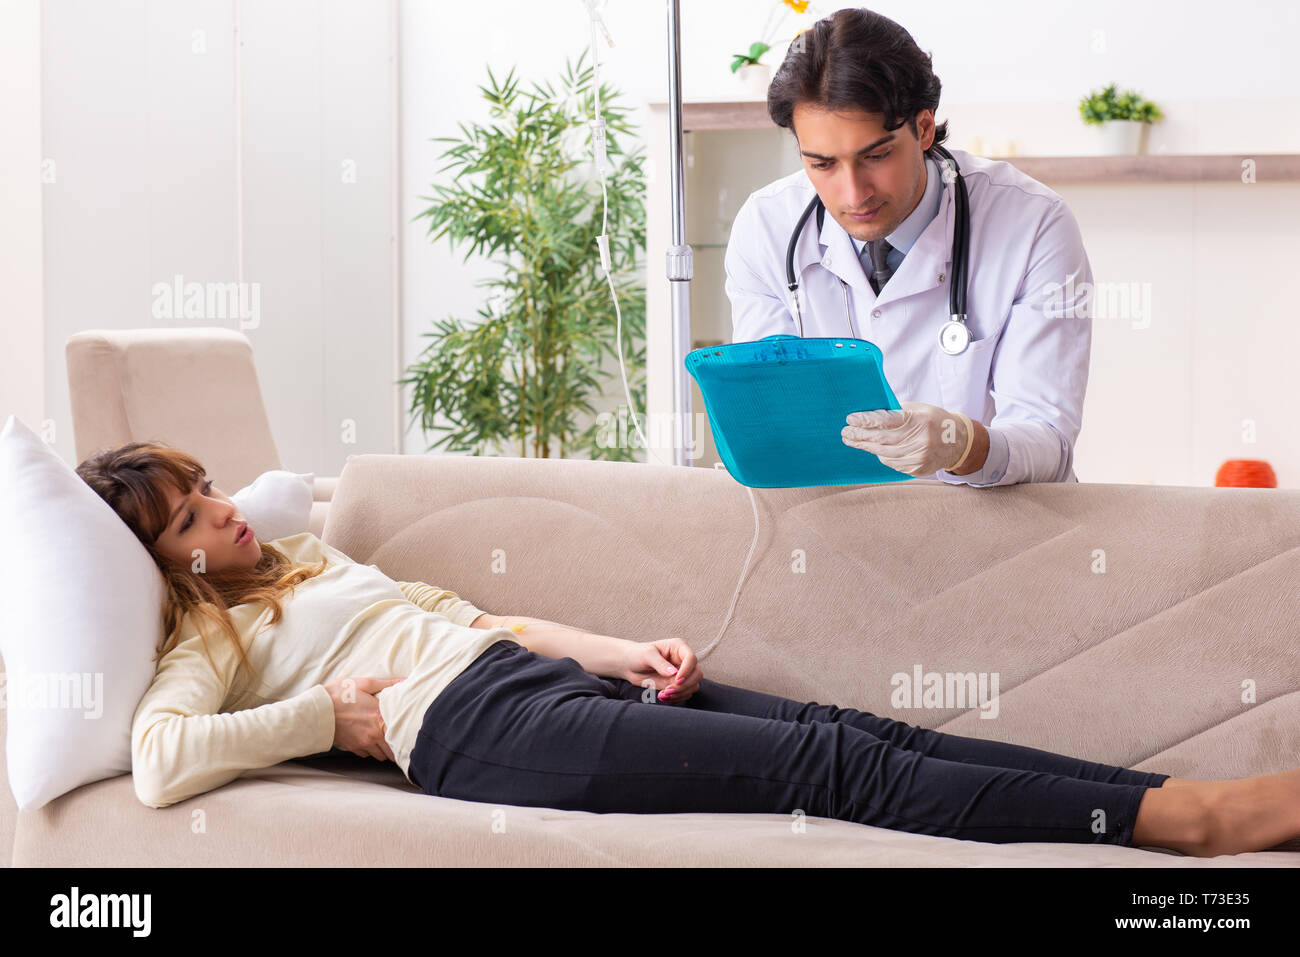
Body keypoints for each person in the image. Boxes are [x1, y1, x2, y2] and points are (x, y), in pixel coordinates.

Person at [76, 440, 1300, 857]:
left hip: (519, 681)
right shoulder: (217, 635)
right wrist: (322, 723)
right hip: (477, 739)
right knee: (833, 779)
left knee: (850, 731)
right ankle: (1189, 832)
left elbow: (477, 625)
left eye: (209, 488)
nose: (227, 508)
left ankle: (1176, 797)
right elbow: (158, 759)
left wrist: (618, 650)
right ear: (169, 560)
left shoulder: (302, 563)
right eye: (192, 515)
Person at [724, 8, 1092, 487]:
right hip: (838, 525)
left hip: (998, 536)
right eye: (821, 164)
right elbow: (771, 414)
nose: (853, 194)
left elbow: (1049, 442)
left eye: (875, 156)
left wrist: (963, 444)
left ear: (922, 128)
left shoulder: (1033, 223)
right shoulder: (766, 226)